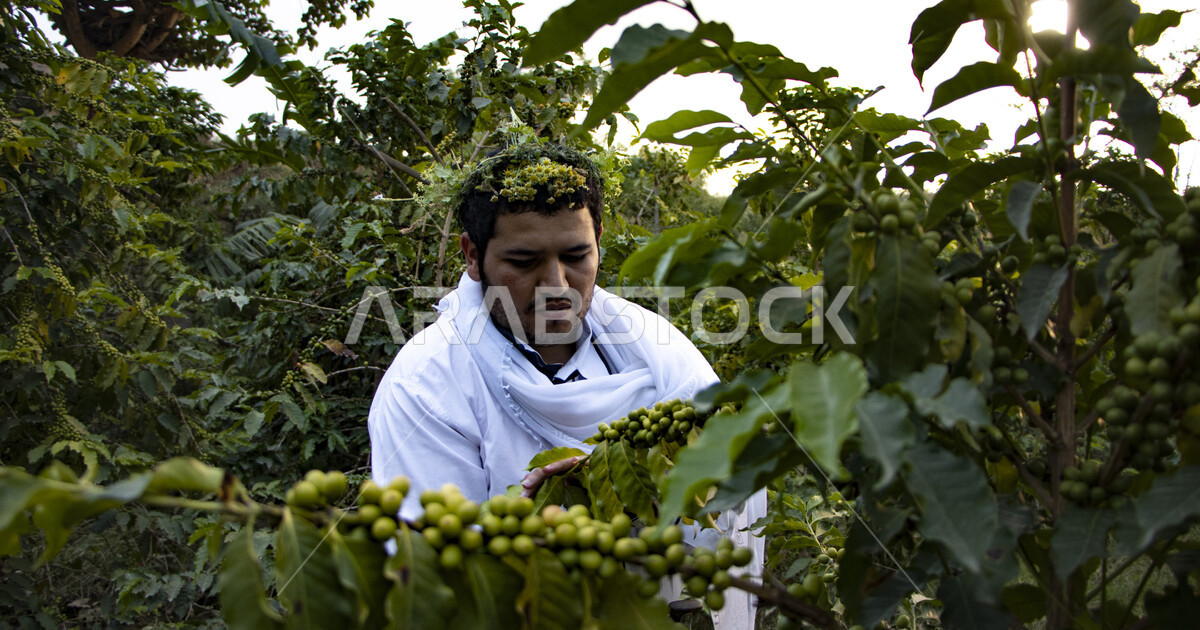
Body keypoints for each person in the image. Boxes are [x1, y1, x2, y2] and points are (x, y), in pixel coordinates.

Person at [367, 142, 764, 627]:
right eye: (524, 261)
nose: (555, 283)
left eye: (576, 255)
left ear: (599, 239)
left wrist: (625, 477)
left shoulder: (654, 347)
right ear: (472, 256)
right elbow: (437, 575)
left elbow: (729, 468)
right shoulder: (428, 384)